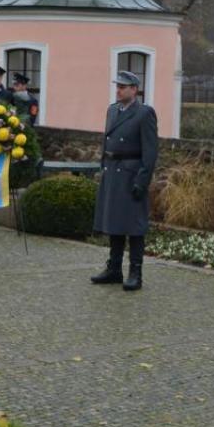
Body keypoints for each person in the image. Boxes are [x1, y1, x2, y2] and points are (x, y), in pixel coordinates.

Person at [91, 71, 159, 291]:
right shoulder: (113, 110)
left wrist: (142, 180)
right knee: (115, 223)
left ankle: (135, 273)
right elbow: (106, 141)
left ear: (134, 89)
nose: (118, 90)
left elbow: (150, 152)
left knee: (134, 226)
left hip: (131, 173)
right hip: (112, 171)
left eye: (123, 86)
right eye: (117, 86)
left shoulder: (144, 113)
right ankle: (114, 269)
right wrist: (103, 166)